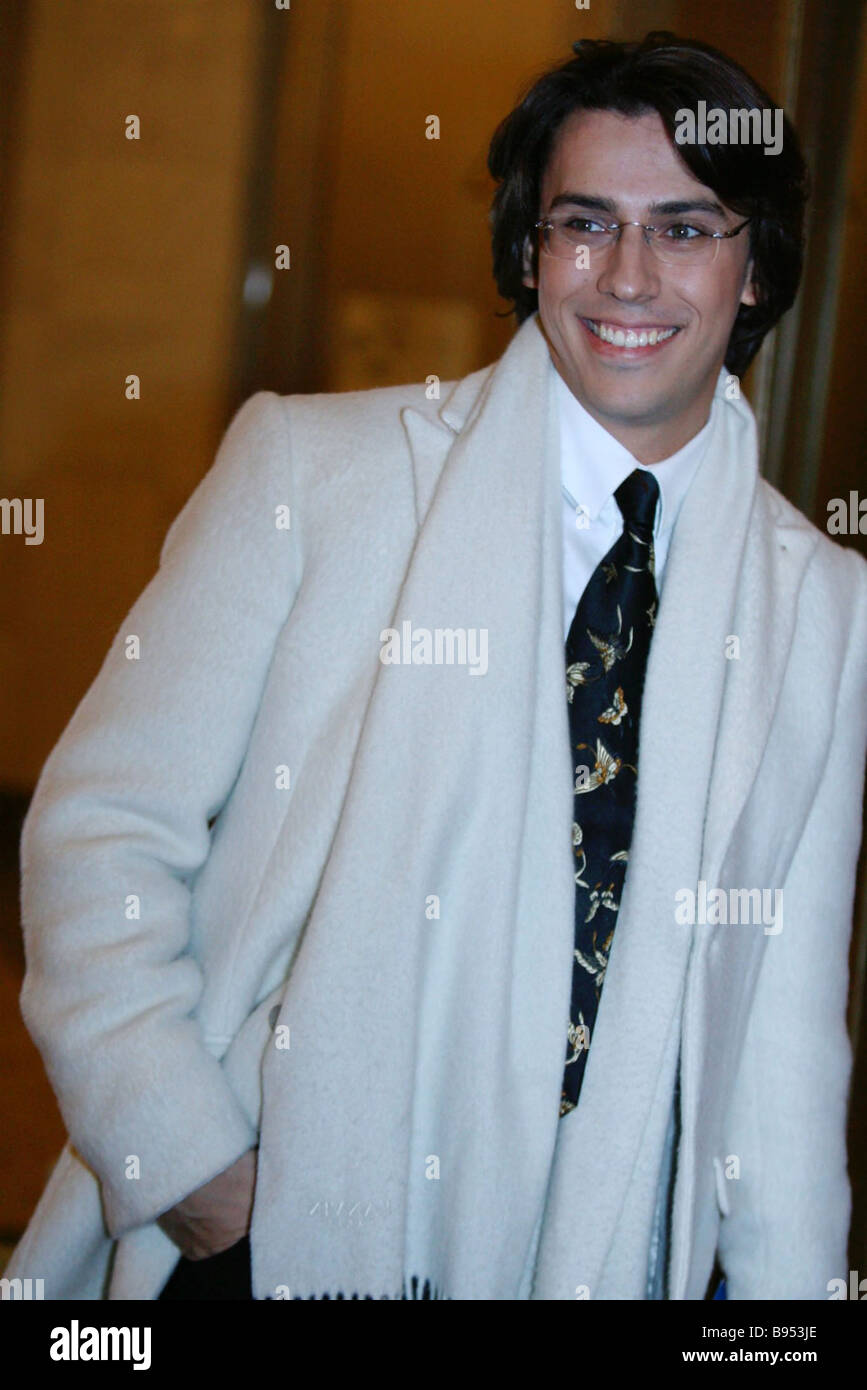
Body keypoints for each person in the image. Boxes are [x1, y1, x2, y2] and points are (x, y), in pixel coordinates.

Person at [5, 32, 867, 1302]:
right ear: (531, 252)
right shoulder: (316, 472)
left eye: (687, 228)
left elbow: (784, 1040)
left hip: (601, 1259)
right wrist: (184, 1156)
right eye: (587, 223)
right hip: (270, 1237)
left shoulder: (823, 605)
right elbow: (99, 827)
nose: (630, 275)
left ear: (754, 270)